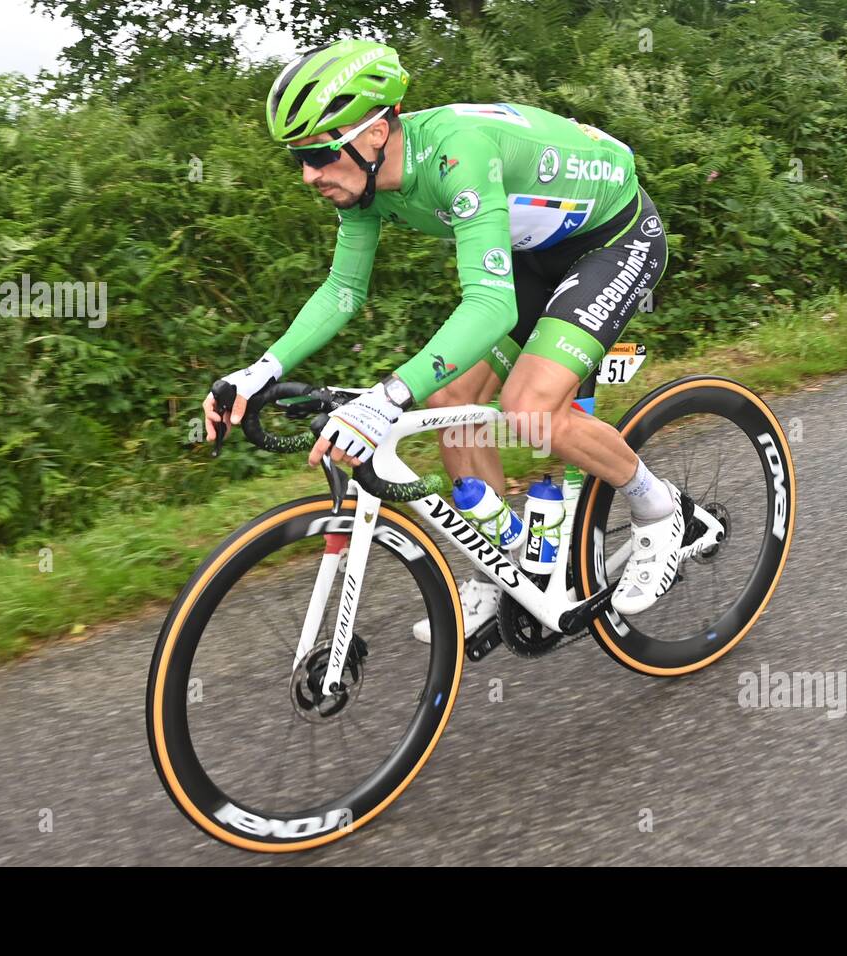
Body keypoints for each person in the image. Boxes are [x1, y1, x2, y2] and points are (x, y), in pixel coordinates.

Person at [203, 38, 683, 640]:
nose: (308, 174)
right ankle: (507, 565)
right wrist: (260, 371)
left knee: (531, 410)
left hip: (612, 239)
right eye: (298, 158)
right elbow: (343, 291)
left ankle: (659, 510)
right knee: (449, 399)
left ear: (376, 133)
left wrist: (385, 397)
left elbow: (489, 304)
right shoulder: (364, 188)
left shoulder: (457, 157)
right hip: (537, 252)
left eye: (320, 154)